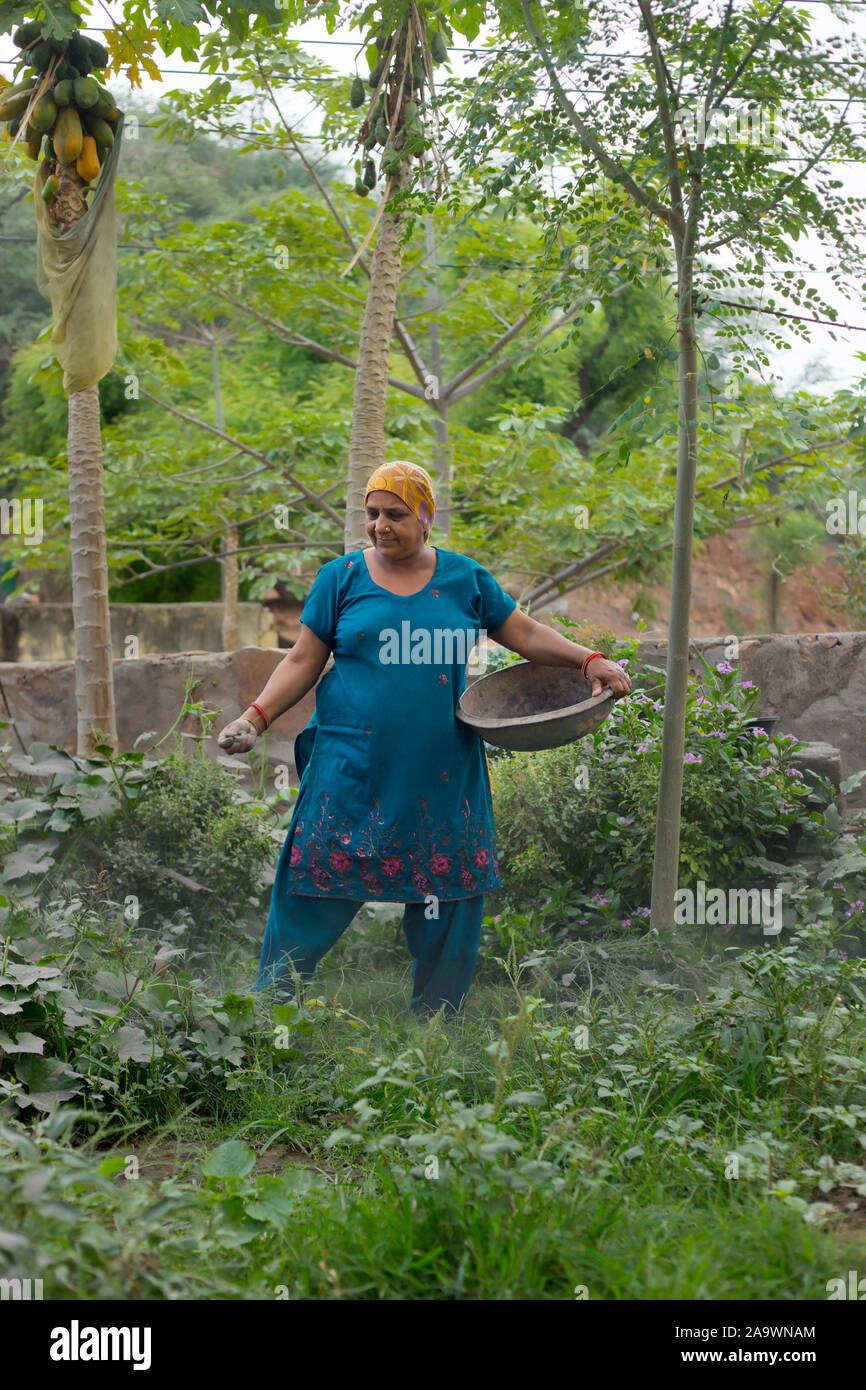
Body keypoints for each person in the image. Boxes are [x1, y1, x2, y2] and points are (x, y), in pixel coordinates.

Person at [217, 462, 631, 1017]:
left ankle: (437, 1023)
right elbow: (301, 660)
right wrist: (256, 716)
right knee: (316, 880)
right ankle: (269, 1008)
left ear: (427, 517)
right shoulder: (340, 579)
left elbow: (526, 633)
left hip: (440, 769)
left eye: (396, 514)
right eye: (371, 514)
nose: (380, 525)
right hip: (352, 765)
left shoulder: (465, 579)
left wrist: (591, 659)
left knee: (449, 889)